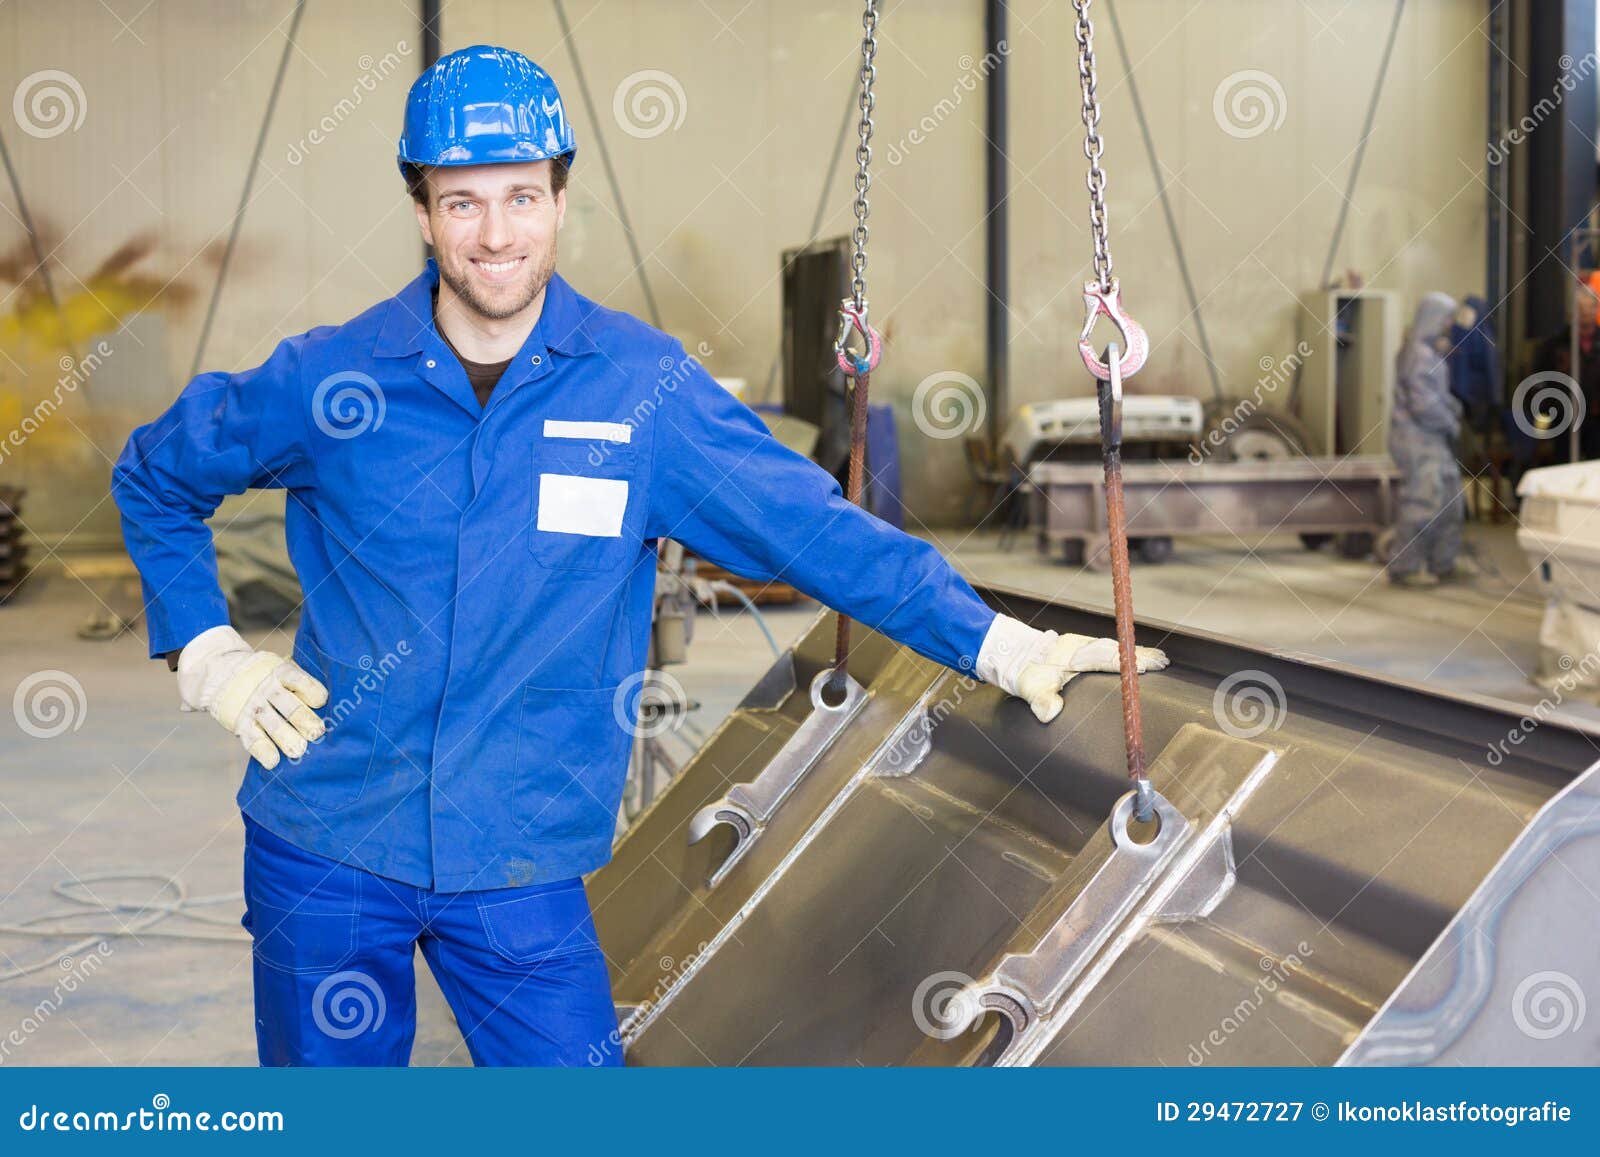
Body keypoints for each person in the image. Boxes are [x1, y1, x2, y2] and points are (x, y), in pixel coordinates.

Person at [110, 45, 1165, 1067]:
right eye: (463, 200)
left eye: (521, 195)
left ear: (560, 200)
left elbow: (811, 527)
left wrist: (994, 641)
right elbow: (155, 474)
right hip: (327, 837)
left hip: (519, 861)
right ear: (423, 209)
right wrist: (210, 653)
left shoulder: (637, 389)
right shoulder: (329, 380)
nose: (494, 233)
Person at [1388, 292, 1466, 584]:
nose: (1449, 324)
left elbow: (1437, 396)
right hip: (1416, 440)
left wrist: (1453, 408)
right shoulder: (1417, 355)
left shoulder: (1432, 353)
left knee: (1450, 500)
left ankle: (1441, 562)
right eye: (1446, 317)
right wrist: (1448, 420)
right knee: (1422, 502)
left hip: (1434, 440)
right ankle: (1406, 567)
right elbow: (1423, 404)